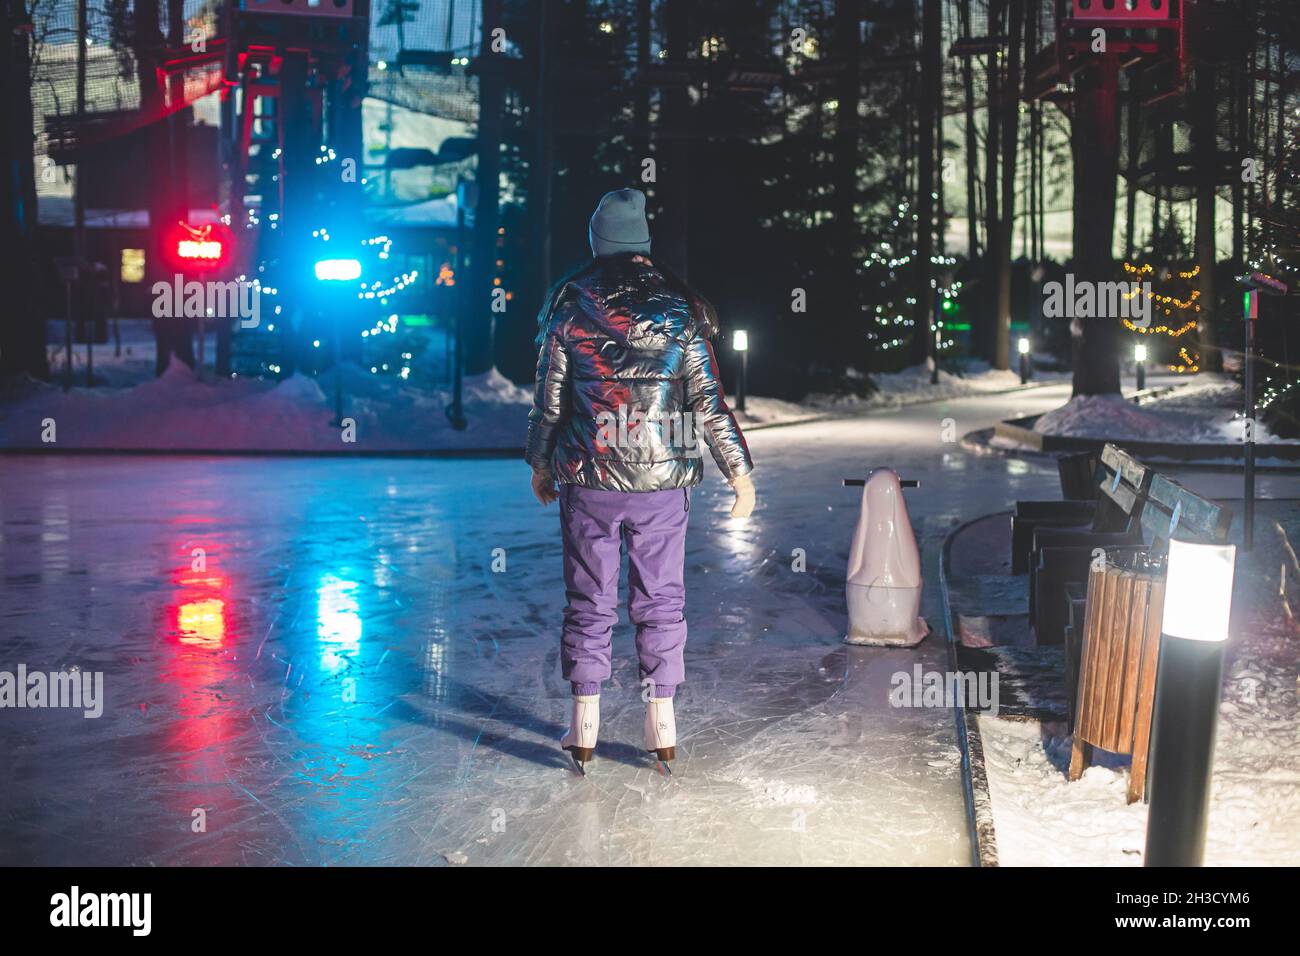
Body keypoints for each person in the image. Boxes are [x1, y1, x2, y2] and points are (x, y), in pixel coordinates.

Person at [525, 187, 755, 774]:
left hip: (590, 480)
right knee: (661, 601)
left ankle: (584, 721)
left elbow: (549, 403)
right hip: (661, 482)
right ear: (643, 242)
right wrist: (739, 473)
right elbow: (709, 402)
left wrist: (541, 462)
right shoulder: (682, 309)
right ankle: (662, 722)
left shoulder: (570, 306)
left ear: (599, 242)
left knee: (589, 600)